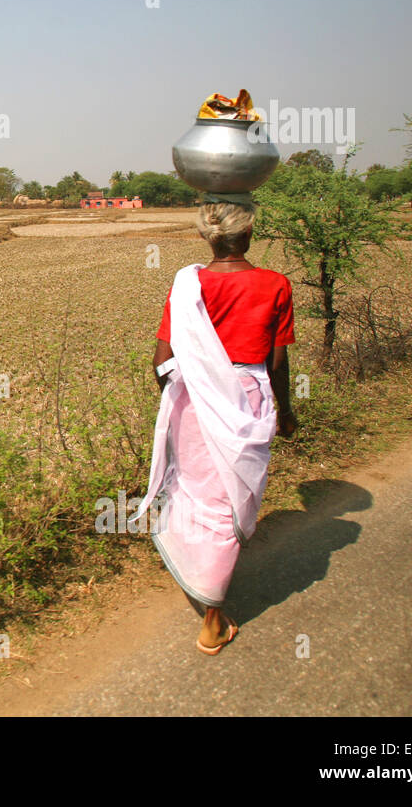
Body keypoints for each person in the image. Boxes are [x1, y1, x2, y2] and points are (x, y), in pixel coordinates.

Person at [134, 200, 298, 655]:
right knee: (230, 501)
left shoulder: (187, 284)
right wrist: (285, 412)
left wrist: (180, 403)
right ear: (248, 234)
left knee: (196, 492)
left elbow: (161, 360)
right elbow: (277, 363)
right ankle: (211, 618)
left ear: (209, 236)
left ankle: (196, 574)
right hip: (245, 401)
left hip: (193, 403)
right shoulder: (274, 284)